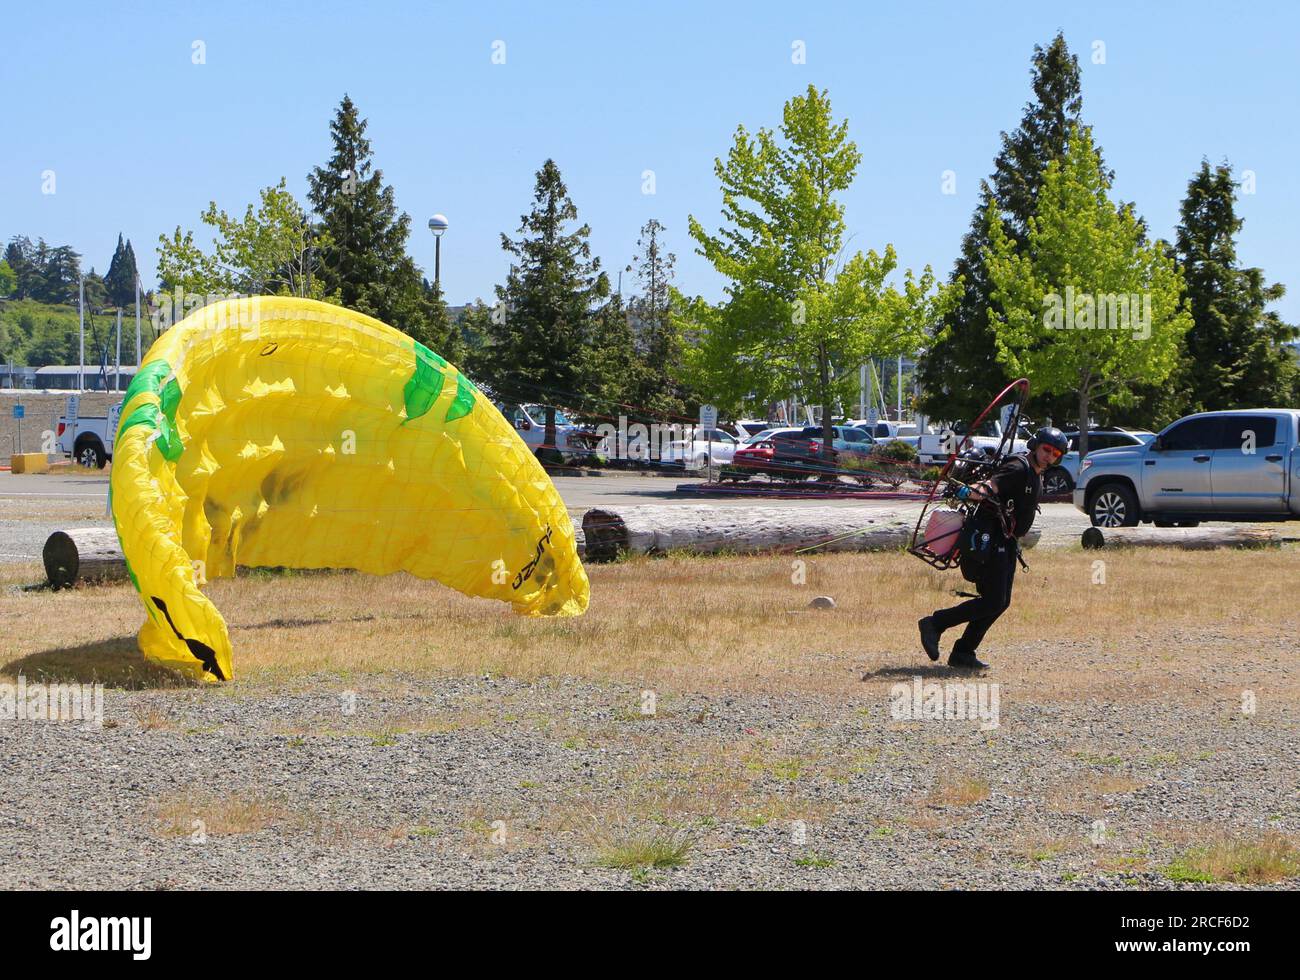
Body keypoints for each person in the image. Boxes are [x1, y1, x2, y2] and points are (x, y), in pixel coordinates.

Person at [918, 427, 1068, 669]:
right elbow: (991, 486)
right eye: (1046, 450)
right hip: (990, 540)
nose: (1049, 456)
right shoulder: (1019, 468)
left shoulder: (1035, 472)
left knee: (1000, 601)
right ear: (1035, 446)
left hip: (1006, 542)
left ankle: (963, 653)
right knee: (993, 601)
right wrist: (969, 491)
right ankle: (935, 623)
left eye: (1055, 453)